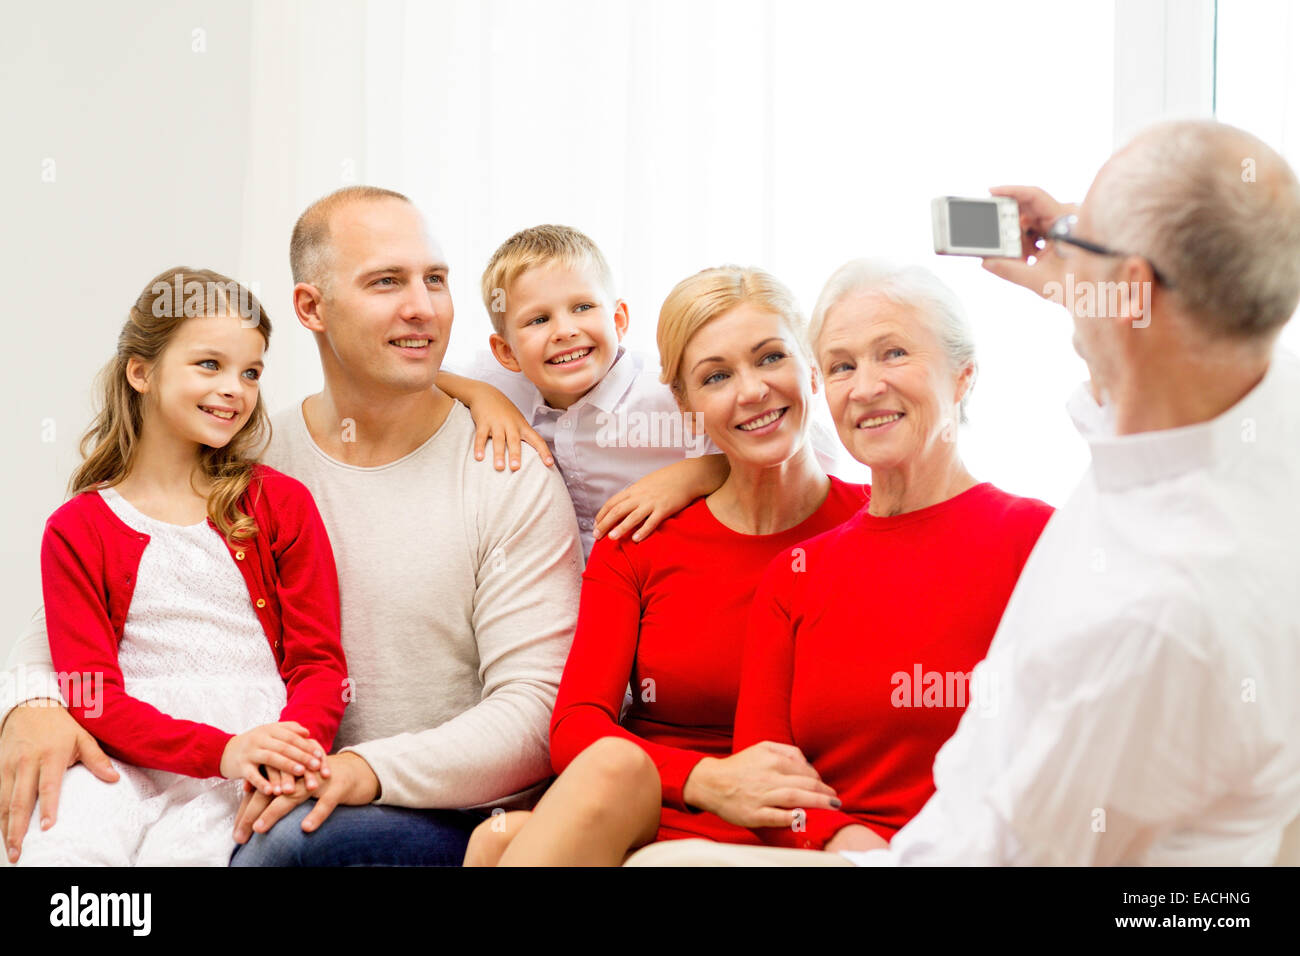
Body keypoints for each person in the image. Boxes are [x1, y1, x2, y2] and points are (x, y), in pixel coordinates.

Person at [627, 118, 1300, 867]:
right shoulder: (1246, 447)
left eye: (1086, 234)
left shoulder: (1146, 614)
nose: (866, 384)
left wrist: (852, 849)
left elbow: (994, 858)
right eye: (842, 365)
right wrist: (1106, 274)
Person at [0, 186, 583, 866]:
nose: (422, 307)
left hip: (441, 811)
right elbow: (78, 613)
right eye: (386, 281)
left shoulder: (507, 472)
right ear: (311, 307)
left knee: (275, 849)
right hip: (264, 776)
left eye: (435, 280)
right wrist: (31, 706)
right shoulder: (245, 458)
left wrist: (362, 769)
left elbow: (537, 711)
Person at [463, 266, 867, 866]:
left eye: (771, 357)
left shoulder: (875, 524)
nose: (751, 391)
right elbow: (576, 727)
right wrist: (708, 779)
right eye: (717, 376)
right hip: (668, 801)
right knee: (494, 837)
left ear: (811, 365)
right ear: (685, 404)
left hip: (812, 811)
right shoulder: (637, 540)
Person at [16, 267, 348, 866]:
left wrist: (287, 750)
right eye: (209, 365)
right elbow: (91, 695)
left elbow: (320, 665)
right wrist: (216, 749)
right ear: (141, 372)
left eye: (251, 372)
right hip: (129, 756)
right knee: (58, 854)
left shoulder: (279, 503)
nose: (235, 389)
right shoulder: (76, 528)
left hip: (253, 758)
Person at [722, 260, 1054, 854]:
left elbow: (1072, 749)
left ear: (963, 376)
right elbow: (762, 779)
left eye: (894, 353)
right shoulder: (798, 575)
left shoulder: (1037, 538)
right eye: (842, 366)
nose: (866, 386)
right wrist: (855, 848)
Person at [441, 224, 847, 559]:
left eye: (583, 307)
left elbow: (804, 451)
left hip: (664, 580)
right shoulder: (502, 383)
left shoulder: (667, 392)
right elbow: (413, 372)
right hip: (563, 601)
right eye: (539, 319)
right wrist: (480, 395)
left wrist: (698, 474)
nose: (565, 330)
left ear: (618, 320)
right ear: (507, 352)